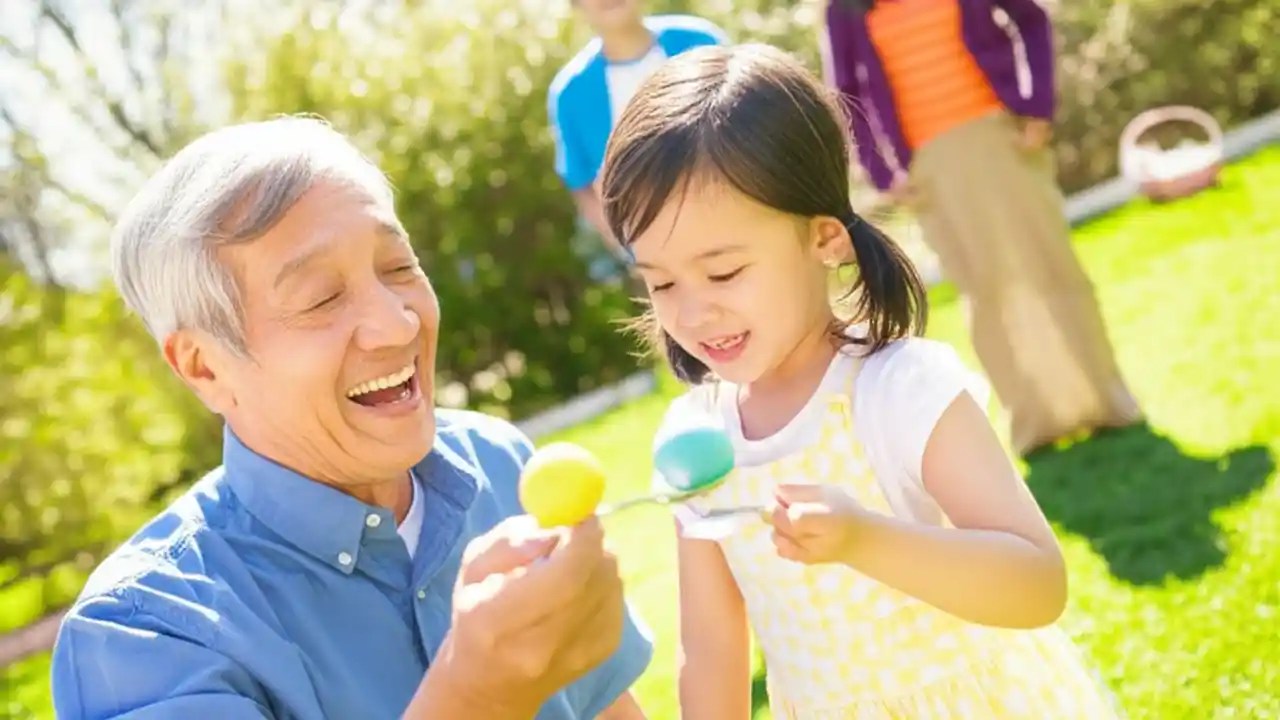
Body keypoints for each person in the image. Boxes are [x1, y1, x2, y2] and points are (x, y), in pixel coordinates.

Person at [49, 117, 652, 720]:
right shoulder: (144, 635)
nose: (399, 324)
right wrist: (479, 696)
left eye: (398, 268)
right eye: (321, 298)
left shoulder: (502, 466)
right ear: (204, 367)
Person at [599, 44, 1119, 718]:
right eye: (660, 282)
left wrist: (864, 539)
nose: (693, 311)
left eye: (723, 272)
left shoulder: (900, 390)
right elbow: (712, 648)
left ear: (824, 239)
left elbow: (1036, 584)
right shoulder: (696, 442)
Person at [821, 0, 1142, 454]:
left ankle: (1109, 404)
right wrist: (882, 172)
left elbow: (1030, 18)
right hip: (931, 166)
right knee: (988, 291)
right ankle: (1036, 426)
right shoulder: (845, 9)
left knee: (1053, 270)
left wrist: (1036, 106)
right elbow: (846, 92)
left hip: (1002, 136)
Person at [548, 0, 727, 260]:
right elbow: (581, 183)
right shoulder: (570, 93)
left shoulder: (701, 41)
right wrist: (634, 252)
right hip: (657, 249)